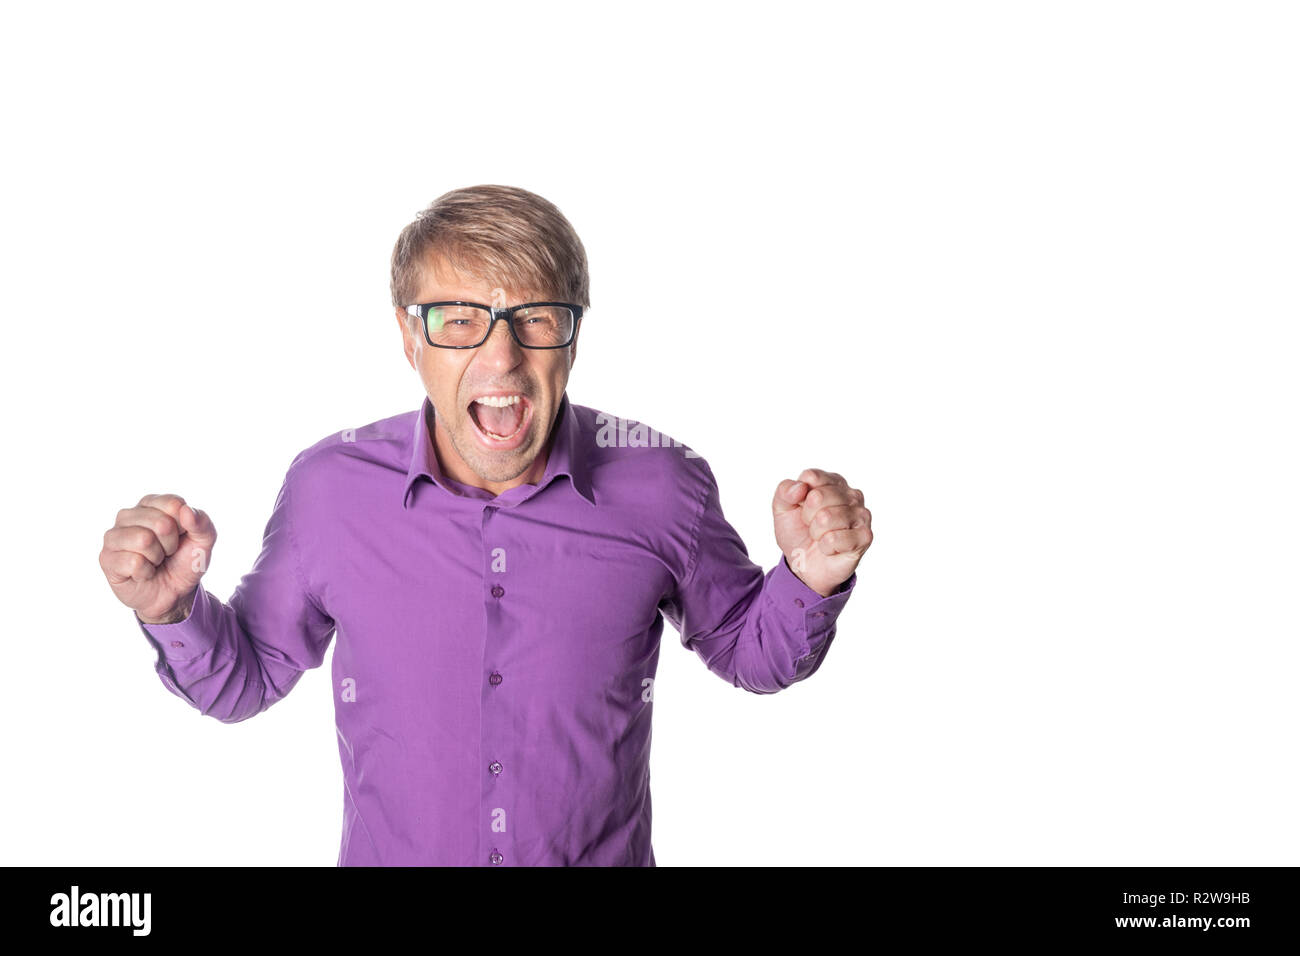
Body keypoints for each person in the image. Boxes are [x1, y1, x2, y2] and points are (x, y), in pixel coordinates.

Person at [98, 184, 874, 866]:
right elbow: (248, 679)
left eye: (535, 317)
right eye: (459, 319)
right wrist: (171, 610)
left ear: (572, 336)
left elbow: (748, 652)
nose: (501, 357)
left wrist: (809, 577)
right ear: (409, 339)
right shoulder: (329, 491)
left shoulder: (663, 483)